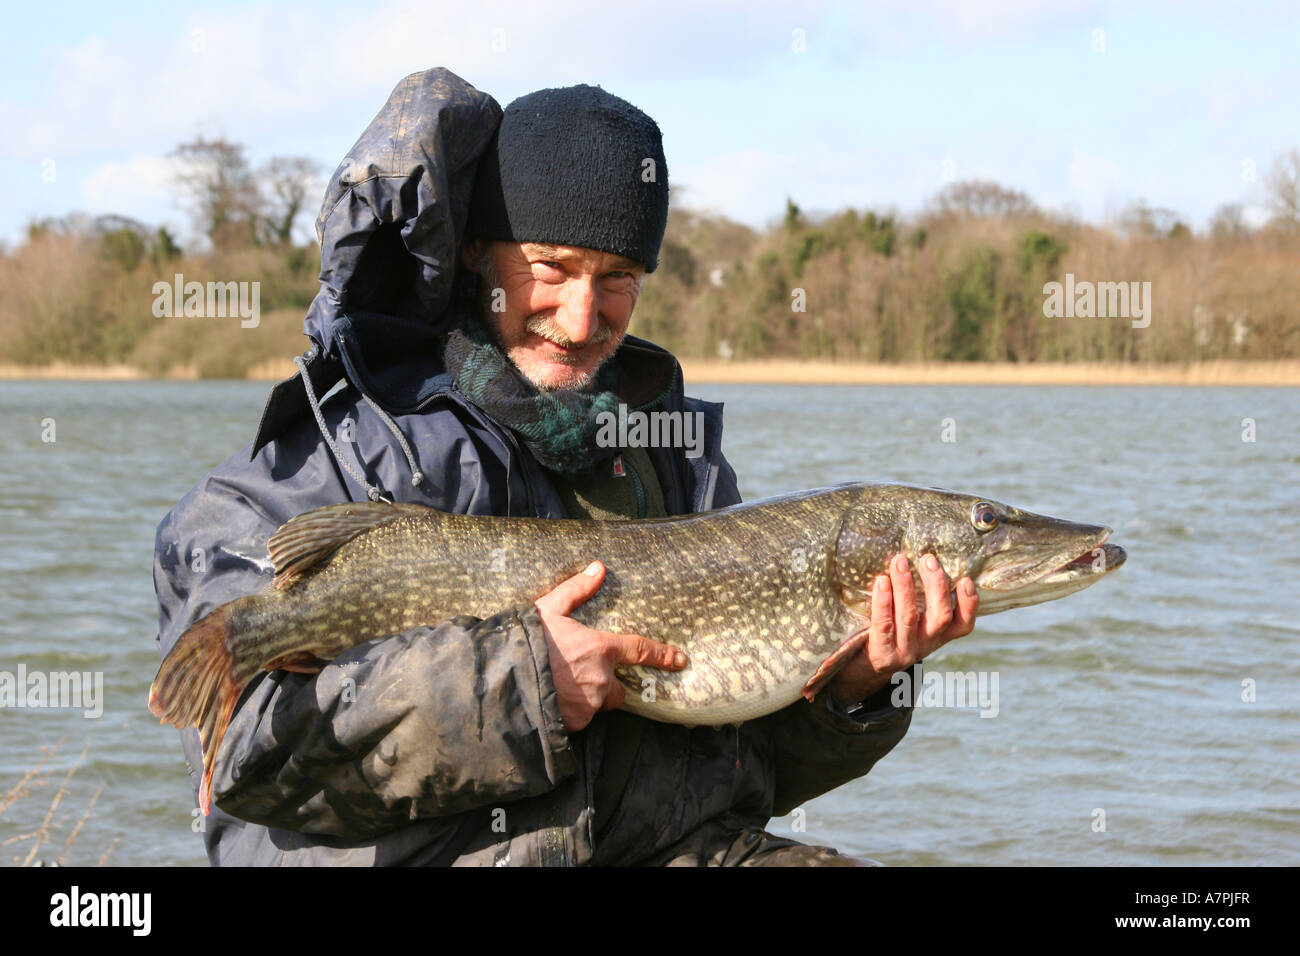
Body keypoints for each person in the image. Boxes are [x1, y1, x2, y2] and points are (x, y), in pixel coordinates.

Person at [152, 67, 978, 866]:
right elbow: (248, 763)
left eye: (617, 277)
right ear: (480, 254)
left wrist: (851, 686)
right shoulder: (339, 449)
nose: (582, 318)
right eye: (550, 268)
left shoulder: (670, 458)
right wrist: (524, 683)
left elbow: (740, 766)